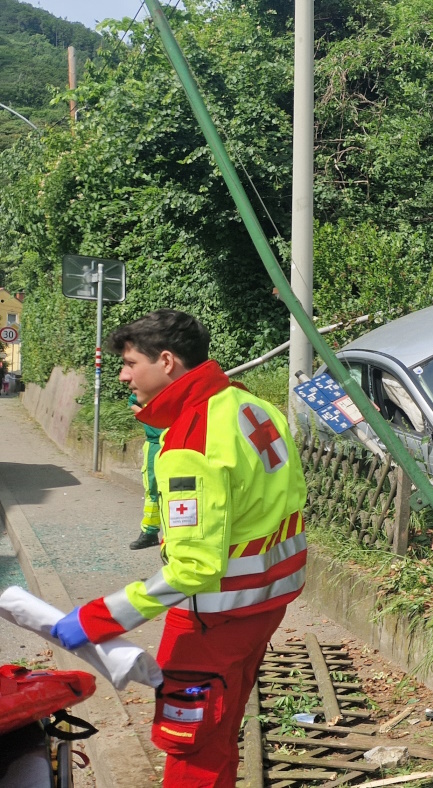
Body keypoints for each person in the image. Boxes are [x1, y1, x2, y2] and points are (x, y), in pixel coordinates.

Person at [50, 309, 307, 788]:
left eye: (129, 363)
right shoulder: (249, 405)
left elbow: (194, 566)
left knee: (190, 747)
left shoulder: (191, 438)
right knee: (222, 730)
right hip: (265, 604)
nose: (124, 375)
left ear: (166, 361)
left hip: (211, 618)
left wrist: (97, 619)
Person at [128, 393, 164, 550]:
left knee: (178, 490)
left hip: (175, 440)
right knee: (152, 489)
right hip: (154, 444)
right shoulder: (148, 383)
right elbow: (132, 402)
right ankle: (149, 533)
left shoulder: (177, 378)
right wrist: (146, 417)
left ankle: (173, 539)